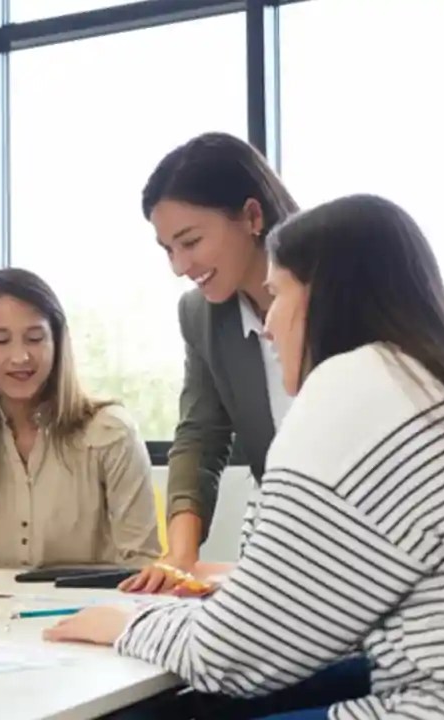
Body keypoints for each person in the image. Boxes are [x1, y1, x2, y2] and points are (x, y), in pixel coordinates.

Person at [45, 194, 444, 719]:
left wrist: (127, 623)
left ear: (325, 296)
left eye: (276, 295)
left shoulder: (356, 388)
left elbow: (236, 652)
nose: (269, 325)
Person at [122, 132, 301, 594]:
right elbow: (201, 435)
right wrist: (180, 556)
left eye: (190, 241)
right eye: (167, 249)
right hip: (289, 548)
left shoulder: (338, 290)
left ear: (252, 216)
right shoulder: (201, 316)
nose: (180, 266)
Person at [0, 268, 160, 584]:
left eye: (35, 338)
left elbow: (143, 565)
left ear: (58, 343)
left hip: (85, 612)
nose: (20, 357)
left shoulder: (112, 433)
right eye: (0, 340)